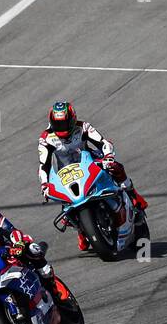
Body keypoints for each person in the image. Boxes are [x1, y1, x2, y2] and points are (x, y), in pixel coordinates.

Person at [38, 102, 146, 251]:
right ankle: (82, 229)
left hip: (88, 161)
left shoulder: (84, 127)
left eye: (64, 123)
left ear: (72, 119)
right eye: (58, 124)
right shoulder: (46, 138)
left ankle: (132, 194)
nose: (61, 127)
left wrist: (108, 156)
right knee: (65, 207)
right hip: (66, 172)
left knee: (115, 167)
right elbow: (44, 165)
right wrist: (44, 185)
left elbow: (103, 143)